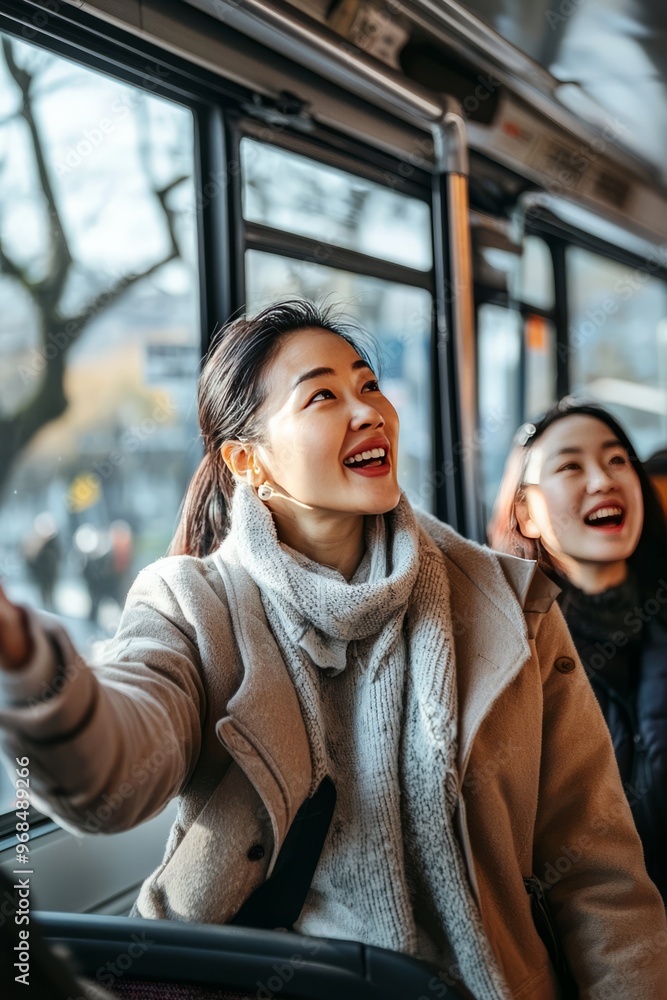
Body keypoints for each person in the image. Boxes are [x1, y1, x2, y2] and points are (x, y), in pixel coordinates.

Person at [0, 303, 665, 1000]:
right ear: (247, 461)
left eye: (369, 386)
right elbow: (115, 778)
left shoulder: (505, 602)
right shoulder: (192, 605)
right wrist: (31, 668)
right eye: (322, 395)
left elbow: (596, 870)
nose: (368, 411)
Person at [488, 398, 667, 902]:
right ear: (525, 514)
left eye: (617, 460)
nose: (604, 479)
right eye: (570, 465)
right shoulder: (510, 652)